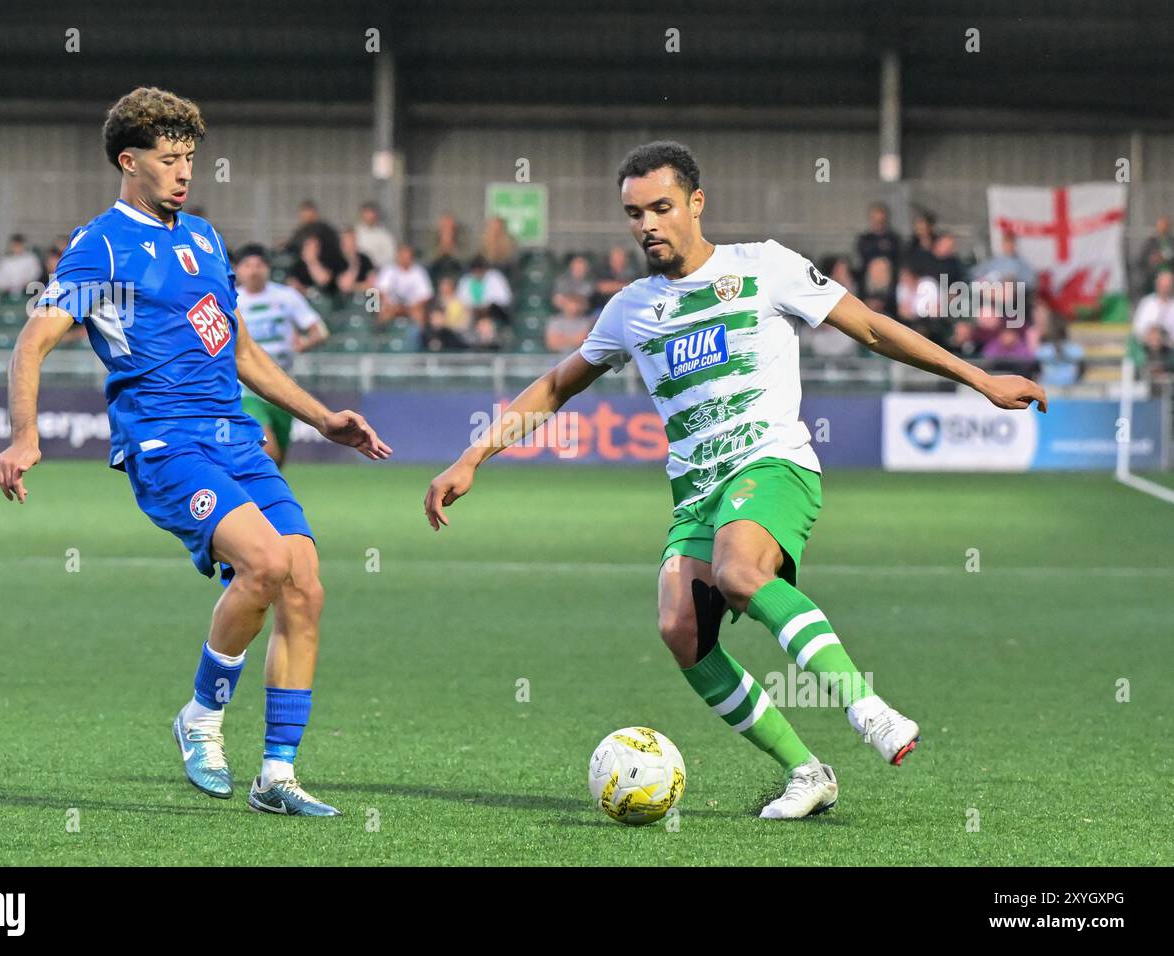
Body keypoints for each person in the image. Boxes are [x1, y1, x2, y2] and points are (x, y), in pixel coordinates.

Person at [424, 140, 1046, 819]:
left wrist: (978, 378)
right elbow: (553, 386)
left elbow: (869, 327)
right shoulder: (631, 308)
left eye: (661, 207)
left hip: (772, 464)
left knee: (738, 571)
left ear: (696, 202)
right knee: (680, 630)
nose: (647, 225)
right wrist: (473, 456)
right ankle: (808, 773)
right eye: (634, 213)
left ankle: (866, 708)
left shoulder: (764, 267)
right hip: (696, 494)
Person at [0, 86, 390, 818]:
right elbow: (33, 339)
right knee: (265, 564)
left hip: (235, 436)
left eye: (189, 159)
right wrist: (25, 434)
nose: (184, 172)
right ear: (128, 161)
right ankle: (201, 719)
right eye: (169, 160)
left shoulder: (204, 237)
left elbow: (237, 346)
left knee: (304, 582)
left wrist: (320, 417)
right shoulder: (102, 243)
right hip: (164, 442)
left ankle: (276, 775)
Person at [235, 243, 329, 467]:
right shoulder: (231, 300)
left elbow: (320, 331)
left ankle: (265, 500)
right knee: (268, 453)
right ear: (238, 270)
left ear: (267, 268)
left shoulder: (287, 296)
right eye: (247, 265)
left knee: (278, 463)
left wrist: (304, 343)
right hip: (247, 388)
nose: (253, 270)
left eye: (258, 265)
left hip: (282, 386)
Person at [376, 244, 434, 329]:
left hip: (412, 307)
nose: (405, 259)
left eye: (408, 256)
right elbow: (380, 291)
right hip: (392, 306)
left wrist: (412, 307)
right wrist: (390, 304)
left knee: (420, 315)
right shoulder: (389, 270)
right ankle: (380, 337)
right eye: (403, 256)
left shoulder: (419, 272)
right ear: (398, 256)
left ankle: (420, 339)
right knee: (383, 312)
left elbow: (426, 296)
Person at [853, 201, 900, 287]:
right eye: (875, 220)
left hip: (889, 276)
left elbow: (897, 257)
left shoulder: (894, 239)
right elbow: (863, 257)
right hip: (868, 277)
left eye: (881, 220)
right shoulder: (864, 239)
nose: (878, 223)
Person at [1132, 269, 1174, 343]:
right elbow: (1137, 327)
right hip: (1146, 347)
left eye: (1168, 285)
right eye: (1163, 285)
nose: (1165, 288)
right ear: (1157, 285)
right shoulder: (1147, 303)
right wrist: (1151, 334)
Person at [334, 229, 376, 296]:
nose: (351, 243)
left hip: (363, 296)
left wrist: (354, 287)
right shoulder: (337, 260)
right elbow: (345, 286)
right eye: (347, 240)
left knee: (374, 295)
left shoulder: (365, 259)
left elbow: (372, 284)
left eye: (353, 239)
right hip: (343, 299)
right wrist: (353, 262)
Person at [354, 201, 396, 269]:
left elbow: (390, 256)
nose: (370, 216)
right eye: (367, 213)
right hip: (357, 270)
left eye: (372, 213)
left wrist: (372, 263)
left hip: (379, 270)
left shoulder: (384, 235)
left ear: (376, 215)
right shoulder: (355, 232)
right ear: (362, 214)